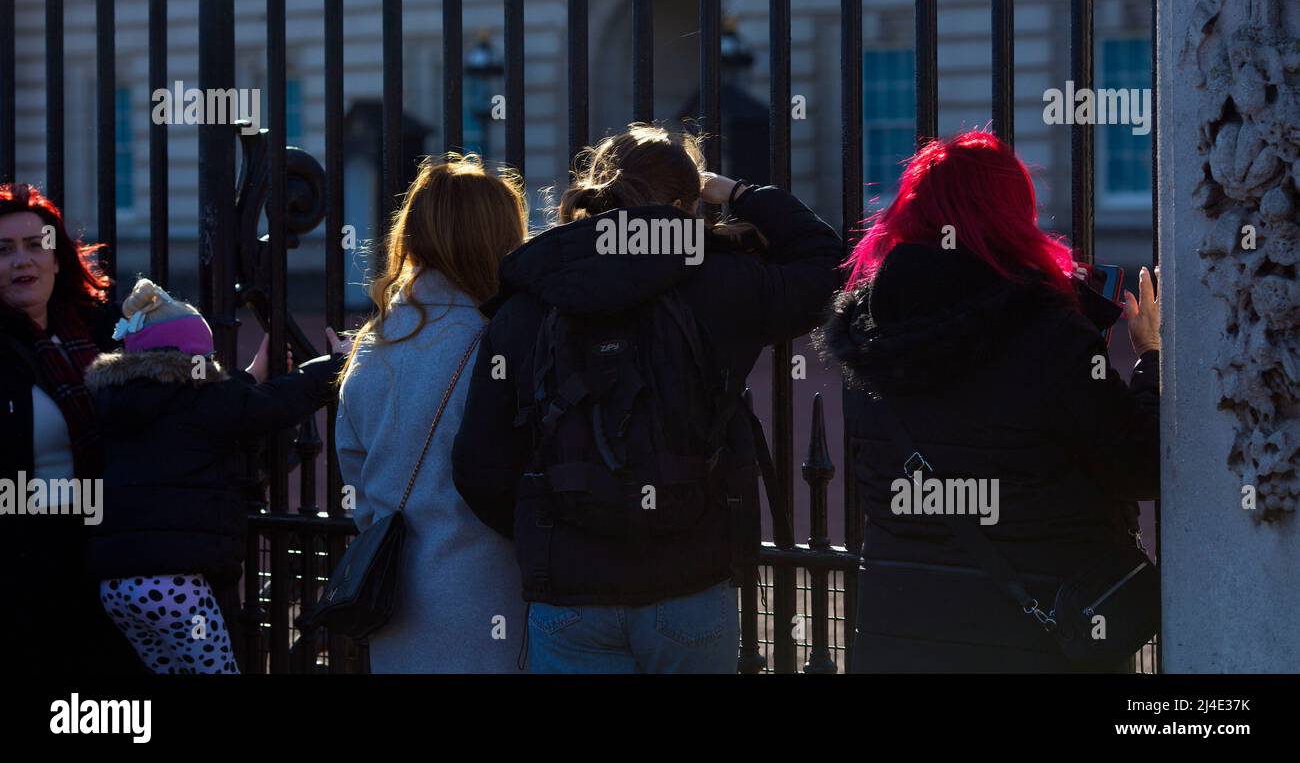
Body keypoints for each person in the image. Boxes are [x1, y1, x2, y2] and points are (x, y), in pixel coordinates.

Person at [452, 123, 841, 673]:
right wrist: (739, 193)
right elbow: (827, 264)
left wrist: (553, 530)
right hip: (688, 578)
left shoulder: (529, 298)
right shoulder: (720, 282)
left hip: (571, 590)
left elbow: (480, 467)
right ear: (684, 205)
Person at [815, 131, 1160, 673]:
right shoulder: (1049, 335)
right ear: (1011, 216)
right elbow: (1141, 467)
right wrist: (1150, 359)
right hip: (1036, 643)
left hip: (900, 638)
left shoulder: (868, 331)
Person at [84, 277, 348, 673]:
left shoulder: (119, 398)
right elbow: (272, 404)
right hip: (175, 588)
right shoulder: (203, 398)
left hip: (118, 587)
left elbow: (211, 405)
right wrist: (334, 366)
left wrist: (251, 375)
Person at [335, 155, 530, 673]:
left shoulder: (372, 346)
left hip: (397, 601)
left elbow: (356, 479)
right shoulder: (499, 340)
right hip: (493, 594)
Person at [0, 181, 145, 673]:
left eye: (34, 245)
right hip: (25, 582)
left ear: (57, 258)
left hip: (109, 564)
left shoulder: (98, 334)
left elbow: (169, 407)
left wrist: (254, 379)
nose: (22, 260)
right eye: (3, 250)